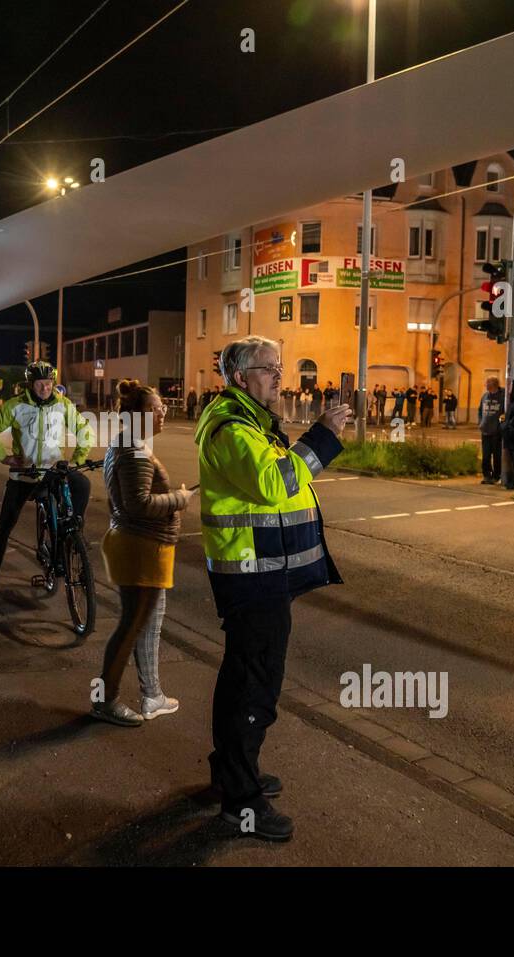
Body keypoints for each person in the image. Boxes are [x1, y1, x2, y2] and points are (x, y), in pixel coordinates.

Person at [195, 335, 352, 842]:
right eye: (269, 368)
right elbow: (272, 484)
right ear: (241, 377)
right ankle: (241, 802)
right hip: (251, 574)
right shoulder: (230, 427)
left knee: (245, 674)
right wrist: (322, 438)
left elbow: (284, 487)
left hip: (264, 572)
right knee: (255, 683)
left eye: (280, 367)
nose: (280, 376)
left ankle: (231, 773)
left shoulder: (255, 422)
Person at [93, 379, 192, 726]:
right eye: (156, 408)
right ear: (137, 415)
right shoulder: (134, 449)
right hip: (142, 548)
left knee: (145, 625)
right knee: (132, 626)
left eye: (163, 406)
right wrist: (179, 499)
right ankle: (106, 701)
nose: (164, 411)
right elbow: (137, 504)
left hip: (140, 545)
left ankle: (152, 695)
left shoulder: (128, 444)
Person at [0, 361, 95, 603]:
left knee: (82, 484)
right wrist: (5, 457)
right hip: (24, 475)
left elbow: (84, 430)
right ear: (30, 384)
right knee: (4, 526)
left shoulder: (62, 404)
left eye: (49, 383)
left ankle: (73, 537)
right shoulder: (16, 405)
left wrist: (76, 459)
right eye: (40, 384)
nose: (45, 388)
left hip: (52, 472)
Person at [477, 377, 504, 484]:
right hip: (485, 430)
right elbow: (480, 410)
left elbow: (506, 412)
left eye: (487, 383)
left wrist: (501, 425)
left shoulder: (502, 397)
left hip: (496, 431)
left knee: (497, 455)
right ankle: (487, 475)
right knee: (486, 455)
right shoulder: (485, 396)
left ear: (494, 384)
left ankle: (496, 476)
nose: (485, 385)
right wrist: (480, 422)